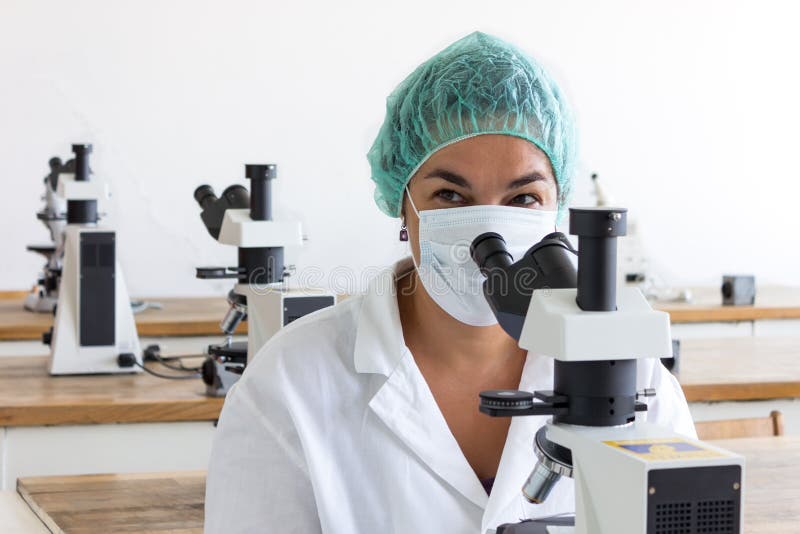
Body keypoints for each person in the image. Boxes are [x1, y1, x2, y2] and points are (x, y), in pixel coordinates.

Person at [204, 31, 695, 534]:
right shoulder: (289, 384)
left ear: (558, 209)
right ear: (403, 204)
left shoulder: (630, 374)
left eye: (523, 198)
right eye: (450, 196)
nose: (490, 227)